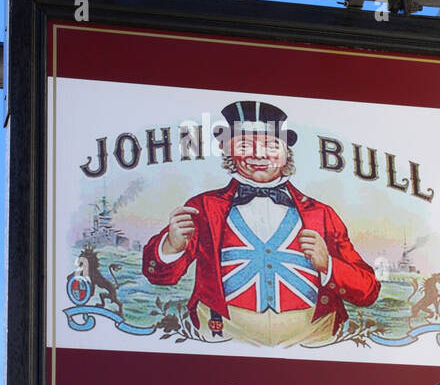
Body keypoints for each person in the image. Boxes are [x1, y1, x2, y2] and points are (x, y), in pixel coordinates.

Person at [142, 100, 379, 347]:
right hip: (223, 334)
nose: (258, 154)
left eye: (271, 145)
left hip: (312, 336)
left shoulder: (321, 213)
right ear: (226, 149)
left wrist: (328, 265)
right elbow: (159, 277)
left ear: (287, 152)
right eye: (245, 144)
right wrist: (171, 246)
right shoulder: (204, 207)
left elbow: (369, 291)